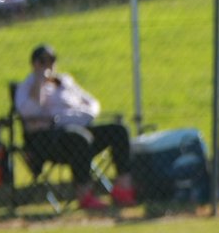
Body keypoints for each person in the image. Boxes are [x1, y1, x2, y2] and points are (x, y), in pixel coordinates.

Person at [13, 44, 136, 210]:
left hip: (81, 126)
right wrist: (39, 82)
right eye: (42, 61)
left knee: (119, 130)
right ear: (34, 64)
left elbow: (93, 104)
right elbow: (31, 111)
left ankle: (123, 189)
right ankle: (84, 195)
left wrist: (79, 115)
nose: (48, 65)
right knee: (79, 137)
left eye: (52, 60)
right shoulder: (26, 87)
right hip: (51, 140)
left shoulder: (66, 81)